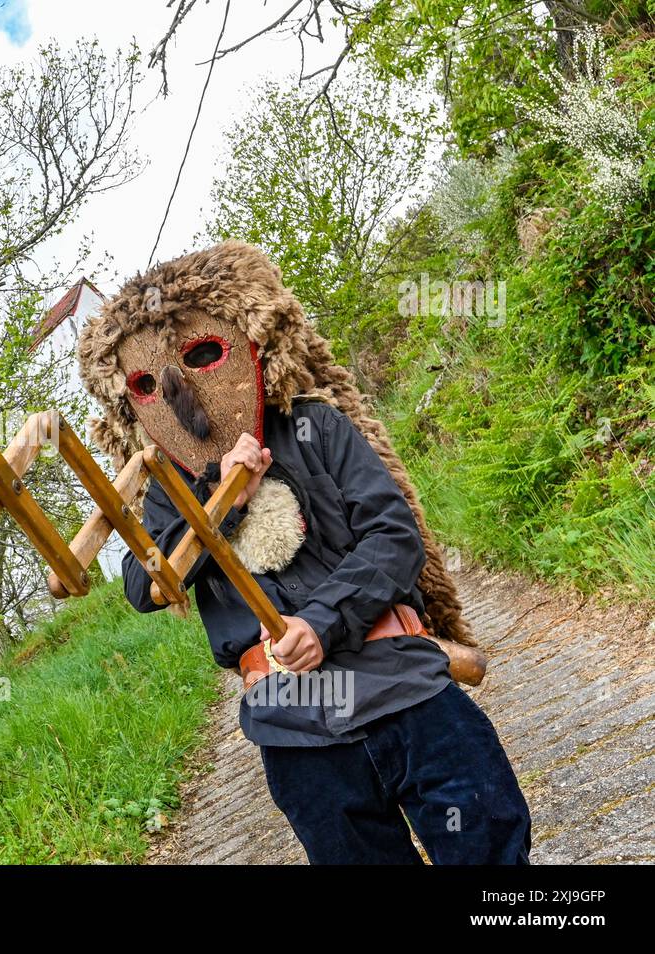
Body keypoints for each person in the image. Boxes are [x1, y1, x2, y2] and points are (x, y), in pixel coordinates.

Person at [77, 241, 531, 864]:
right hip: (296, 735)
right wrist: (221, 498)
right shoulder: (168, 493)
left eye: (204, 355)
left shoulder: (317, 428)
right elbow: (144, 585)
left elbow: (393, 534)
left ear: (253, 341)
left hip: (407, 694)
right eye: (148, 384)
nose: (180, 394)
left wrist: (321, 623)